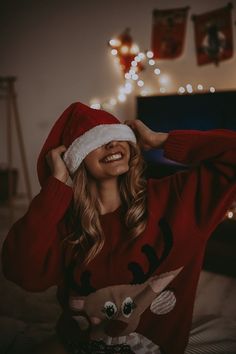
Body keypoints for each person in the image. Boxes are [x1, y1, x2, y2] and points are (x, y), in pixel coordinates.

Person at [2, 101, 236, 354]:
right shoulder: (64, 225)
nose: (112, 144)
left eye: (115, 136)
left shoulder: (177, 199)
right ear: (76, 157)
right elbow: (20, 272)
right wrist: (55, 187)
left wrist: (163, 140)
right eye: (97, 141)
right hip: (78, 344)